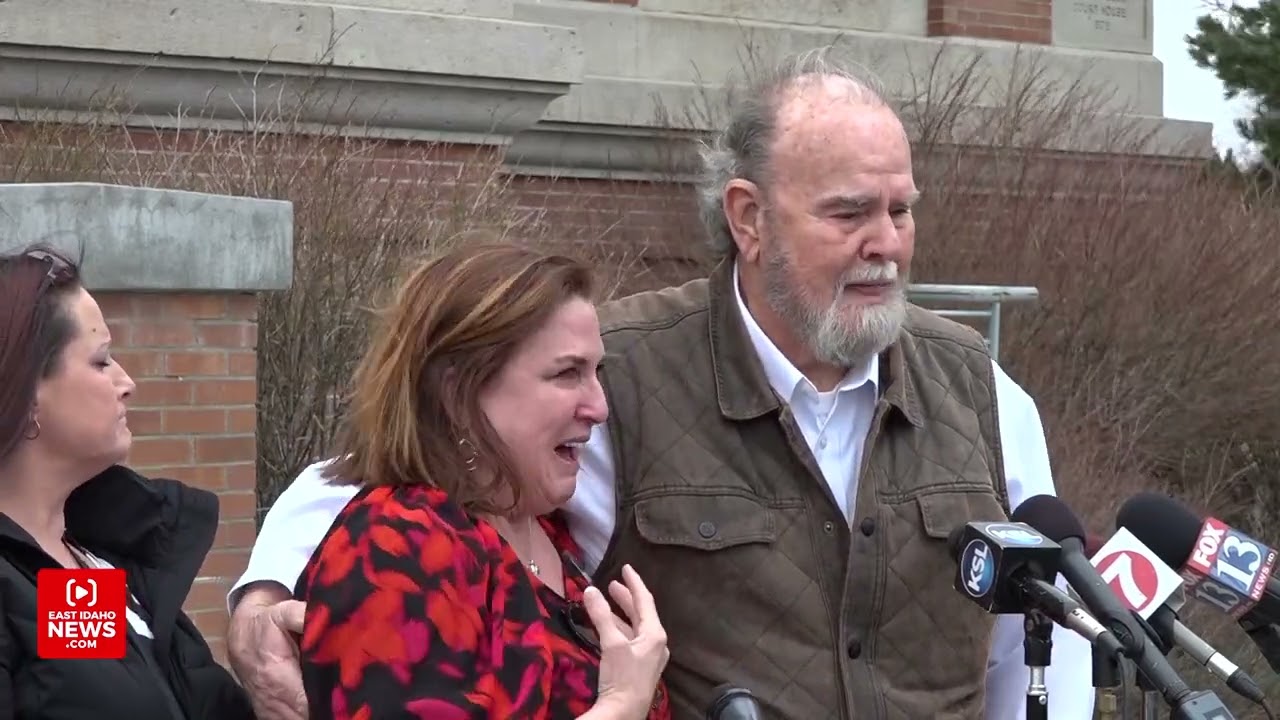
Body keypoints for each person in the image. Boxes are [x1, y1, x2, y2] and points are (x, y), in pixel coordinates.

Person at [226, 47, 1094, 720]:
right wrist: (262, 598)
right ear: (749, 218)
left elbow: (1040, 646)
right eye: (849, 212)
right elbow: (391, 467)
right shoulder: (615, 370)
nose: (888, 242)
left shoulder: (980, 391)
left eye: (900, 210)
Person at [294, 244, 671, 720]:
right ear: (457, 393)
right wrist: (621, 705)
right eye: (566, 373)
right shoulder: (397, 546)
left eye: (597, 372)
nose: (599, 407)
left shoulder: (546, 530)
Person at [0, 246, 255, 719]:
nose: (127, 383)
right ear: (27, 392)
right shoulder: (14, 584)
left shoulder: (96, 558)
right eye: (101, 361)